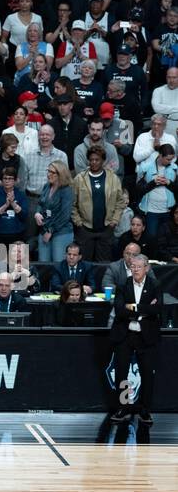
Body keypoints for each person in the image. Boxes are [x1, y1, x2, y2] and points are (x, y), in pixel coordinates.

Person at [109, 253, 162, 424]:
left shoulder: (155, 285)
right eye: (133, 267)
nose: (135, 270)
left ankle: (145, 410)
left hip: (146, 336)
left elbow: (157, 309)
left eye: (139, 267)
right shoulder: (123, 285)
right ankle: (122, 408)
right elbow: (119, 310)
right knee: (122, 374)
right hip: (125, 335)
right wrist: (144, 309)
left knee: (147, 374)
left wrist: (133, 307)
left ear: (147, 268)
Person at [71, 145, 125, 262]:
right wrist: (78, 223)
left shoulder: (113, 178)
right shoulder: (79, 179)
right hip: (85, 229)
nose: (94, 162)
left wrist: (114, 221)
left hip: (106, 229)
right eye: (91, 160)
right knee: (84, 263)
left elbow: (120, 201)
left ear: (103, 161)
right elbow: (72, 204)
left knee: (104, 264)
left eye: (97, 160)